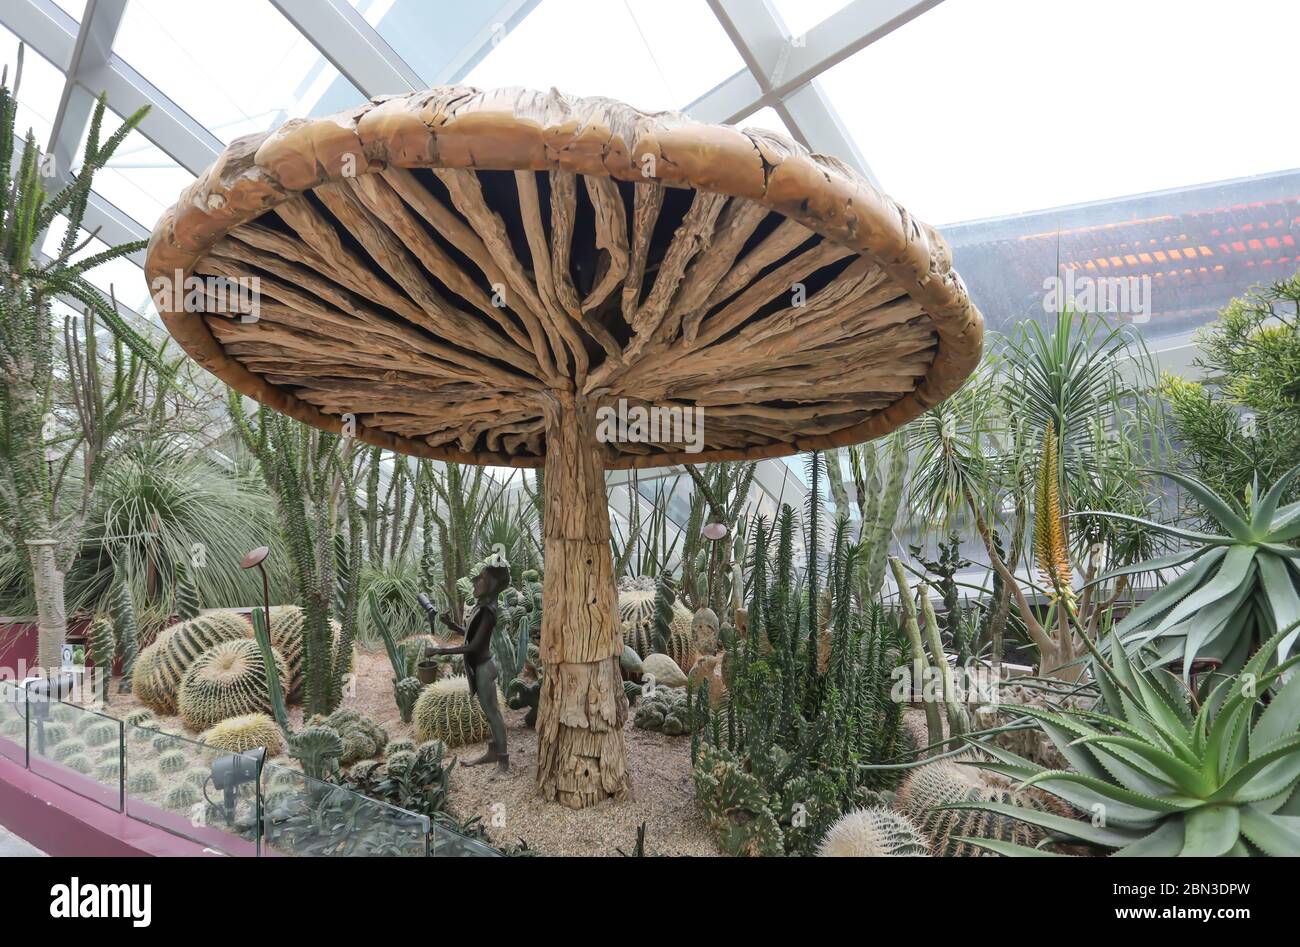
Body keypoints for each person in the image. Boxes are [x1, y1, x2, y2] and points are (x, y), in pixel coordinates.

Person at [421, 561, 512, 773]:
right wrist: (452, 625)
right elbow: (472, 634)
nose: (475, 581)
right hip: (480, 667)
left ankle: (504, 761)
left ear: (491, 584)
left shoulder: (488, 611)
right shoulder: (483, 607)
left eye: (481, 578)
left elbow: (475, 646)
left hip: (484, 668)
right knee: (489, 712)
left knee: (493, 713)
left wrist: (439, 651)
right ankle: (493, 752)